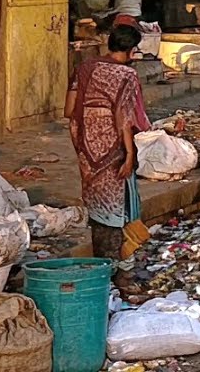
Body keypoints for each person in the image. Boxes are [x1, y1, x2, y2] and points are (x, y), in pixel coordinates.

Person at [65, 25, 151, 274]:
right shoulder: (126, 75)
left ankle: (101, 268)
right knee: (118, 210)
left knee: (97, 209)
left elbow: (69, 110)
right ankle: (117, 270)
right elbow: (123, 118)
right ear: (132, 51)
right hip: (113, 149)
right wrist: (130, 154)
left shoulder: (83, 69)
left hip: (86, 149)